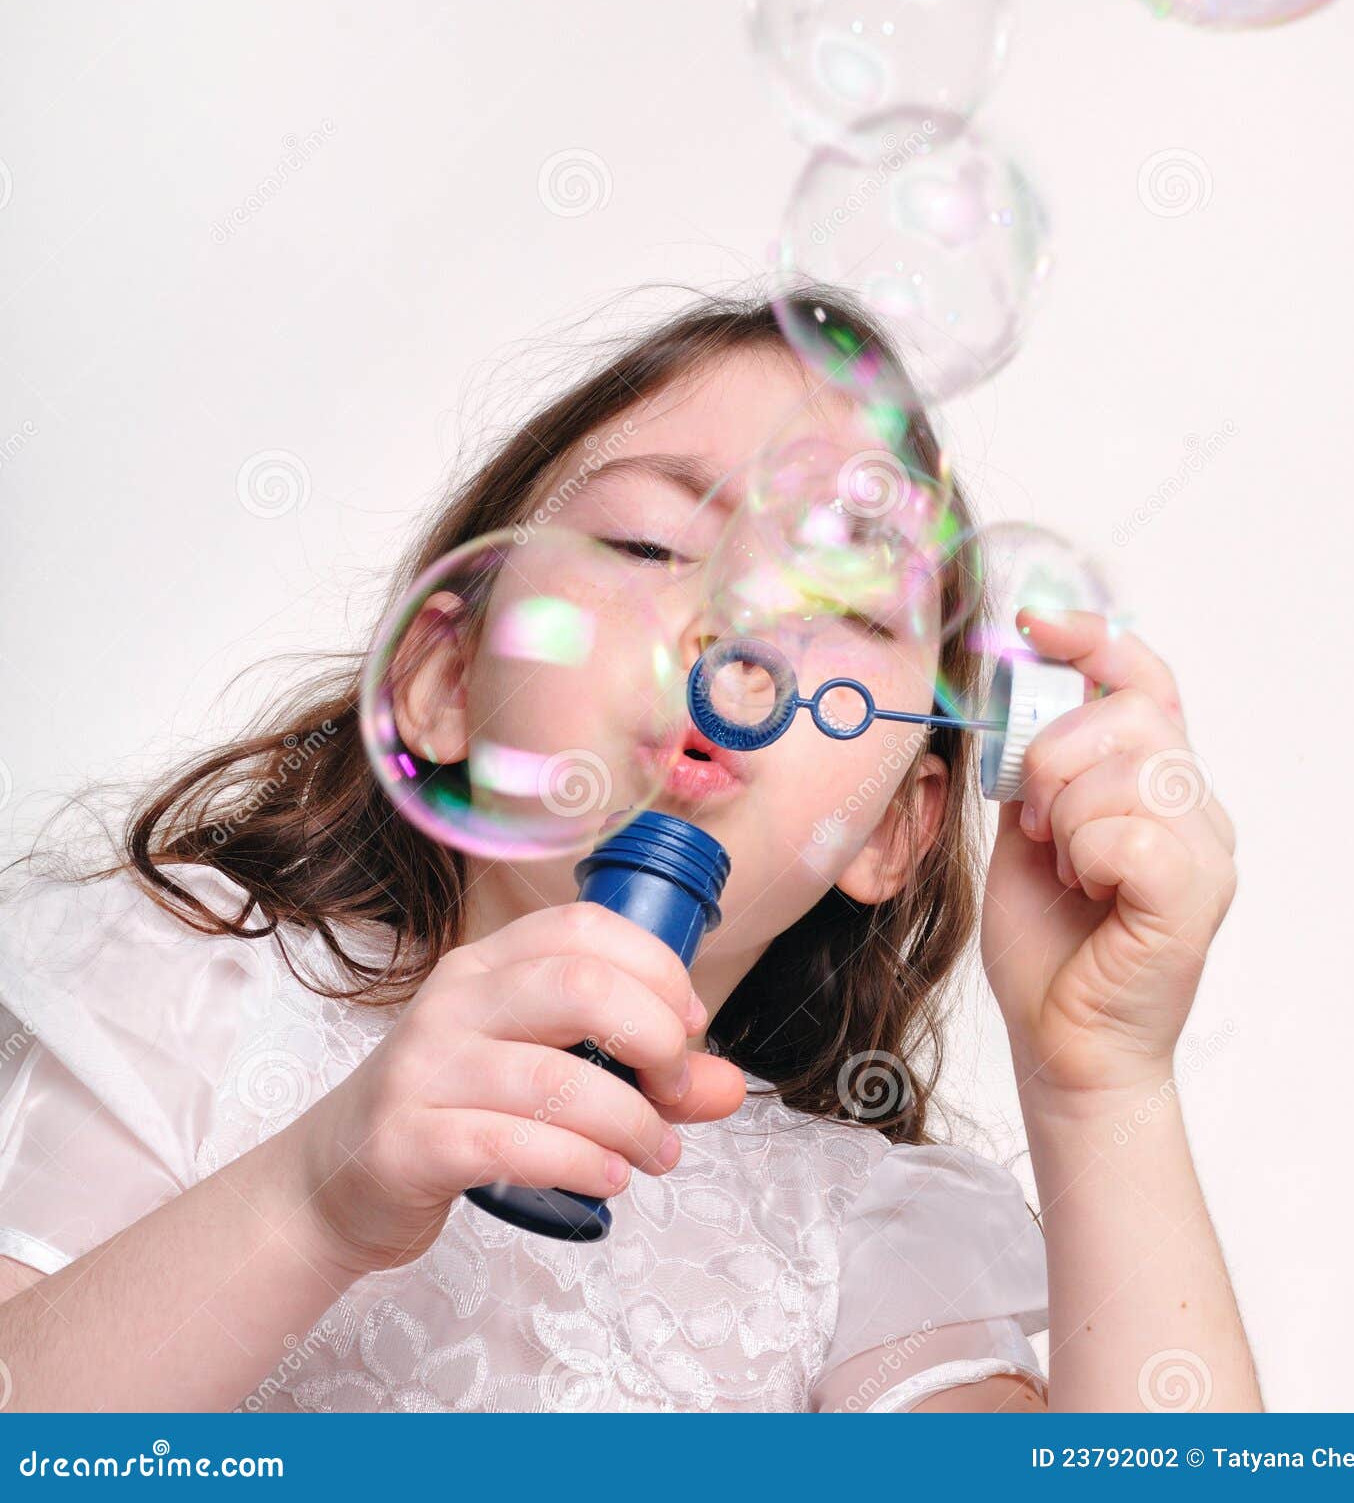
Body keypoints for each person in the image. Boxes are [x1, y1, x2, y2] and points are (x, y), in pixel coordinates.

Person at [0, 288, 1257, 1413]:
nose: (738, 634)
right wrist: (312, 1199)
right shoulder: (192, 993)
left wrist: (1100, 1083)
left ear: (894, 830)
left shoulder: (858, 1242)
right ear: (445, 682)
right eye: (651, 546)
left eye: (843, 607)